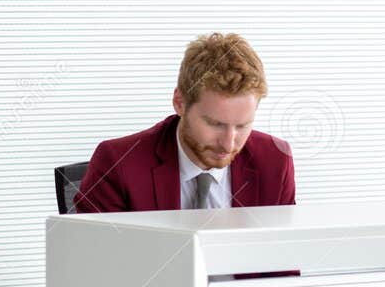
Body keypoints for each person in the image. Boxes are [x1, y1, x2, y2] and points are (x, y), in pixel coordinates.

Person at [77, 32, 295, 213]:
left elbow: (282, 259)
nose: (229, 144)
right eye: (214, 124)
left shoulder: (275, 161)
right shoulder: (117, 163)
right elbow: (94, 260)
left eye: (242, 126)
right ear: (180, 102)